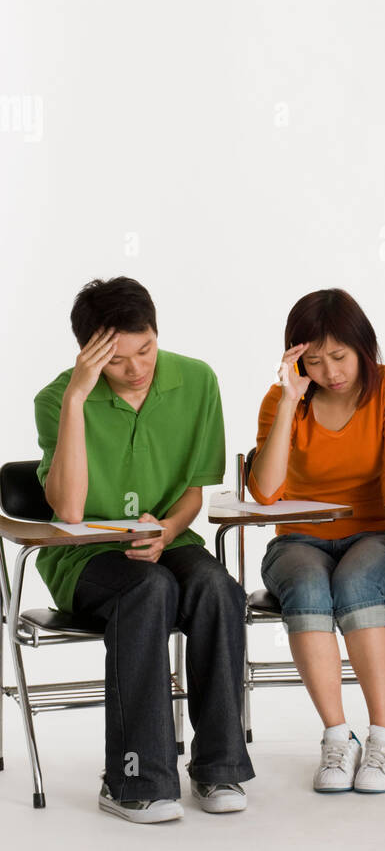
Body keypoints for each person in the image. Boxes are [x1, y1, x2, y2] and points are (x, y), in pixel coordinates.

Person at [34, 277, 254, 823]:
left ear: (157, 333)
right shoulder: (58, 398)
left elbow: (195, 491)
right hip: (83, 557)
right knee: (148, 588)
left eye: (145, 349)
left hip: (168, 536)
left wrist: (166, 529)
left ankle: (219, 767)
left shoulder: (198, 380)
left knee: (216, 588)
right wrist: (79, 398)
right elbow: (67, 510)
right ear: (87, 355)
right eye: (115, 360)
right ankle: (135, 779)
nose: (135, 369)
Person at [248, 289, 385, 794]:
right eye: (315, 361)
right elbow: (265, 491)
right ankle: (337, 738)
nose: (330, 372)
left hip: (373, 534)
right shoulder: (284, 401)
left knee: (355, 580)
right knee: (306, 584)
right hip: (298, 539)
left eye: (339, 356)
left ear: (363, 346)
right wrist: (288, 402)